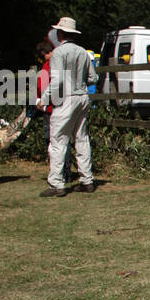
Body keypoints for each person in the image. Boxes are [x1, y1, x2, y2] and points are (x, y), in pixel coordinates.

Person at [40, 17, 97, 197]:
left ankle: (57, 183)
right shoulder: (82, 52)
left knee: (58, 140)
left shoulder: (58, 53)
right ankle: (87, 180)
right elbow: (93, 78)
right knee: (81, 138)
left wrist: (44, 99)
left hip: (66, 98)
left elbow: (57, 80)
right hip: (82, 97)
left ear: (60, 33)